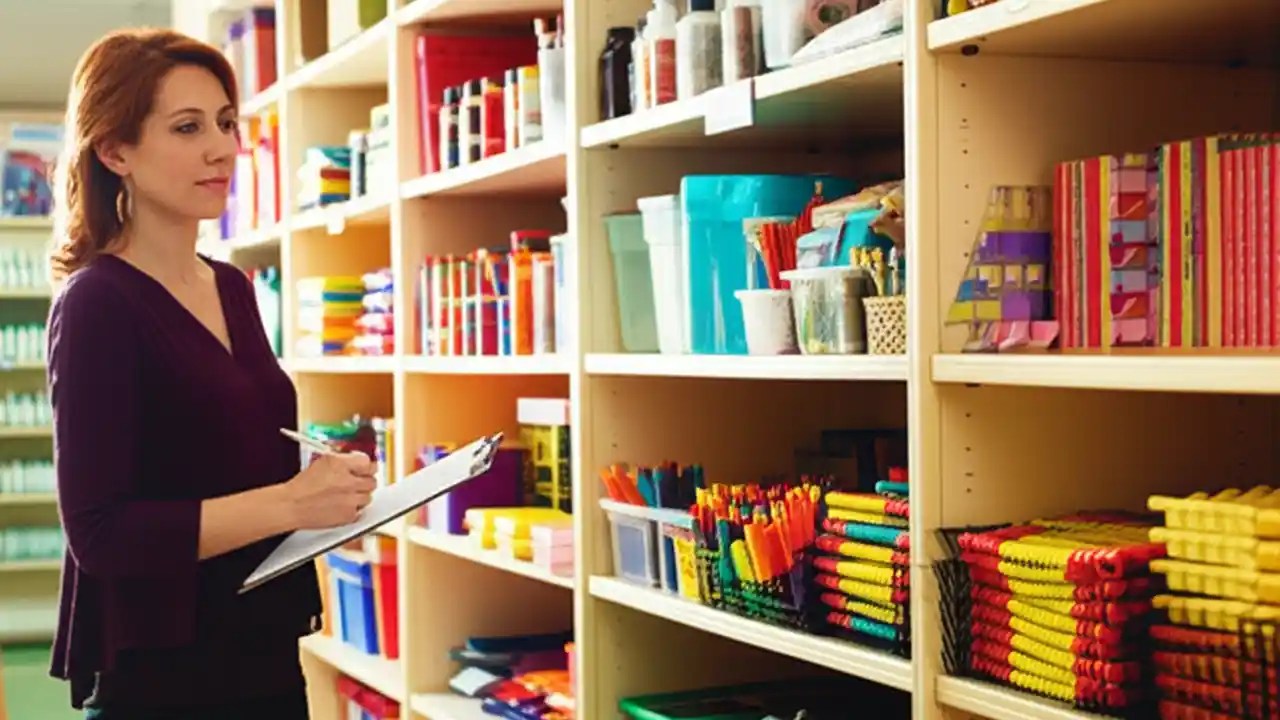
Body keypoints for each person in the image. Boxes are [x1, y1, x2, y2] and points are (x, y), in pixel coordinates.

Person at [46, 28, 377, 719]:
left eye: (227, 123)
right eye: (187, 126)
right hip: (167, 678)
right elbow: (100, 534)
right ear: (115, 151)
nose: (222, 147)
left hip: (265, 653)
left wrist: (327, 496)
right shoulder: (97, 303)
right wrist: (294, 504)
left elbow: (237, 465)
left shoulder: (232, 287)